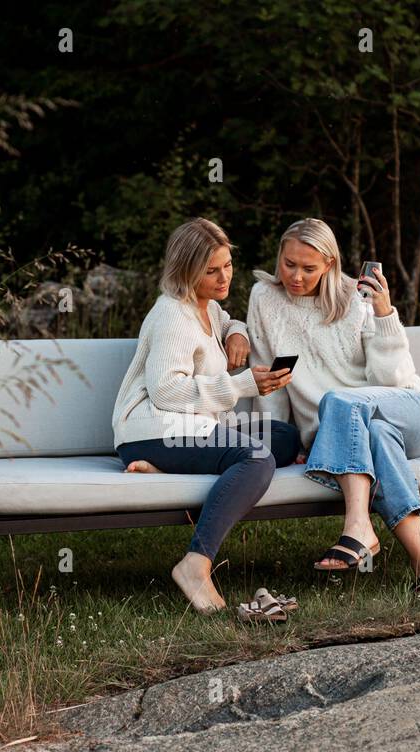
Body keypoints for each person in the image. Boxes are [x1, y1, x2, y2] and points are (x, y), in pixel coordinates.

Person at [242, 218, 420, 593]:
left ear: (329, 265)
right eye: (289, 264)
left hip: (407, 409)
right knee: (378, 438)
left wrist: (385, 316)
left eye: (309, 268)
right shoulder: (264, 299)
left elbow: (392, 379)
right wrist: (286, 440)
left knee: (340, 401)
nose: (297, 277)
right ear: (279, 258)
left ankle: (358, 524)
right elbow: (271, 384)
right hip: (360, 432)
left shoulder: (359, 297)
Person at [111, 217, 299, 613]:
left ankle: (167, 470)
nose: (223, 277)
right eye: (211, 270)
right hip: (153, 428)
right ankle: (196, 563)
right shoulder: (172, 317)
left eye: (227, 265)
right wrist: (242, 385)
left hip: (191, 426)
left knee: (284, 438)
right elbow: (165, 391)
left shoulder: (207, 308)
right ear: (186, 271)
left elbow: (227, 319)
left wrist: (237, 333)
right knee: (257, 458)